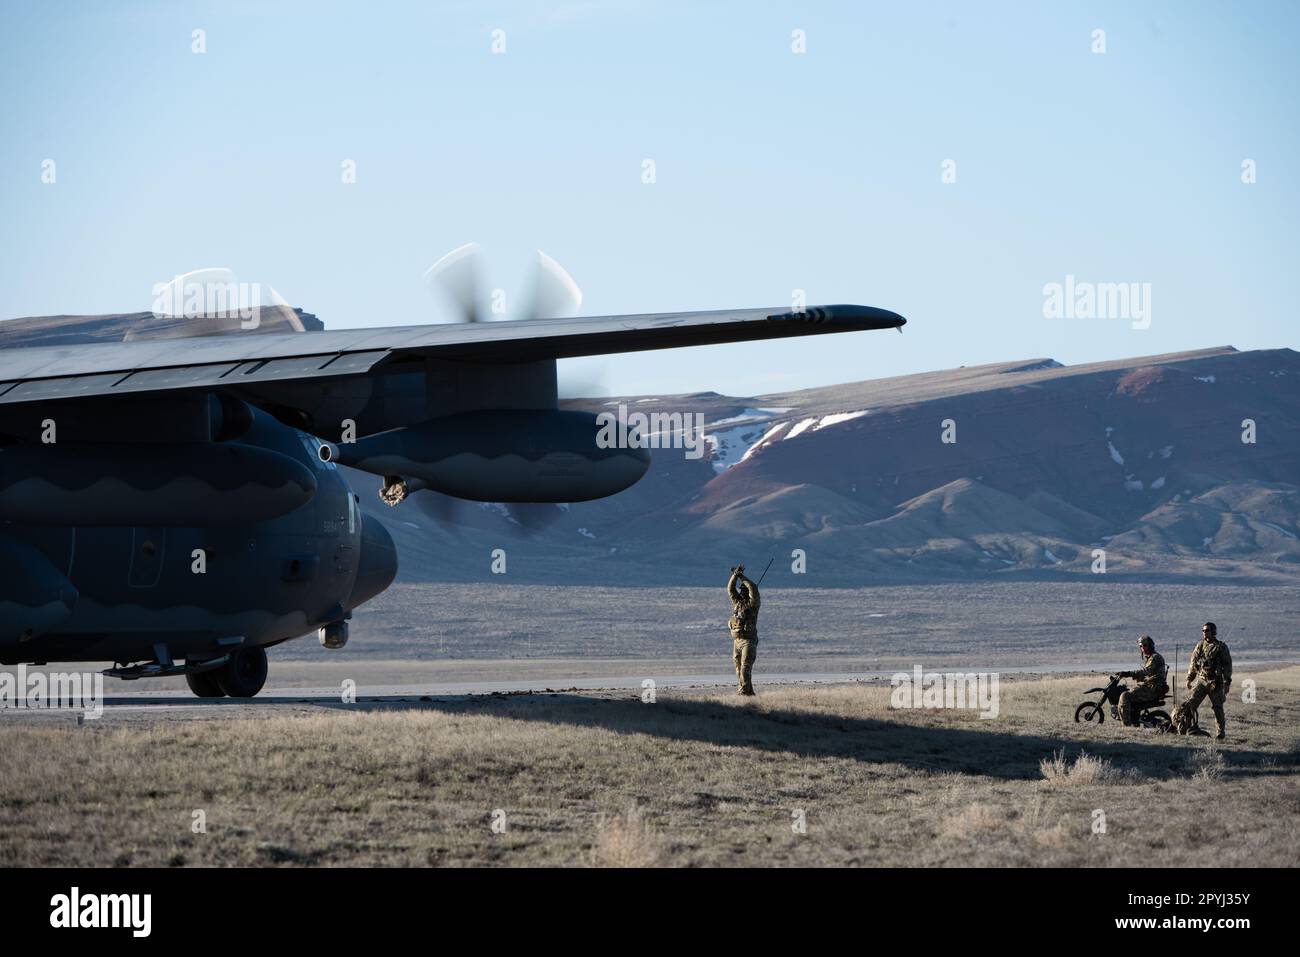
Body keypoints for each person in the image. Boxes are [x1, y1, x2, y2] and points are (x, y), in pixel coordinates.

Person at [1176, 621, 1233, 739]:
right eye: (1203, 631)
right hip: (1202, 681)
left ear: (1213, 632)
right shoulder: (1200, 645)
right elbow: (1193, 663)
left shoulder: (1221, 647)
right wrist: (1189, 679)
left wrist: (1227, 682)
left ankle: (1220, 733)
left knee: (1218, 708)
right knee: (1191, 704)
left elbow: (1227, 665)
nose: (1204, 633)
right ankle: (1184, 728)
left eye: (1207, 630)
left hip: (1215, 682)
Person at [1116, 635, 1168, 726]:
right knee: (1130, 692)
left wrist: (1128, 673)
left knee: (1125, 696)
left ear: (1150, 646)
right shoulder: (1150, 657)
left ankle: (1126, 725)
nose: (1143, 648)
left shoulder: (1155, 657)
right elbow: (1147, 675)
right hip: (1150, 687)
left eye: (1145, 645)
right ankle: (1134, 719)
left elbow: (1146, 671)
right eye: (1141, 646)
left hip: (1152, 689)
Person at [727, 564, 761, 696]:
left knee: (745, 667)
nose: (741, 592)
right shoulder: (737, 603)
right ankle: (748, 692)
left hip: (748, 640)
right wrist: (734, 575)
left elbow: (752, 587)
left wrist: (742, 577)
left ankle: (744, 693)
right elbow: (730, 589)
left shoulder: (753, 604)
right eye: (740, 590)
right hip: (737, 640)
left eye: (743, 590)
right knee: (738, 668)